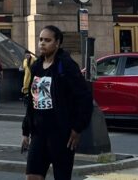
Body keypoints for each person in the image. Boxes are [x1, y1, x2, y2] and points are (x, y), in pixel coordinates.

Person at [21, 25, 92, 180]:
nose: (42, 43)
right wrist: (26, 131)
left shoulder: (66, 66)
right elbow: (32, 101)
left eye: (47, 40)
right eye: (40, 39)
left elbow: (84, 97)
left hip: (61, 134)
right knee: (32, 176)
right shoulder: (36, 67)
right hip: (38, 133)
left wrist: (77, 128)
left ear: (57, 43)